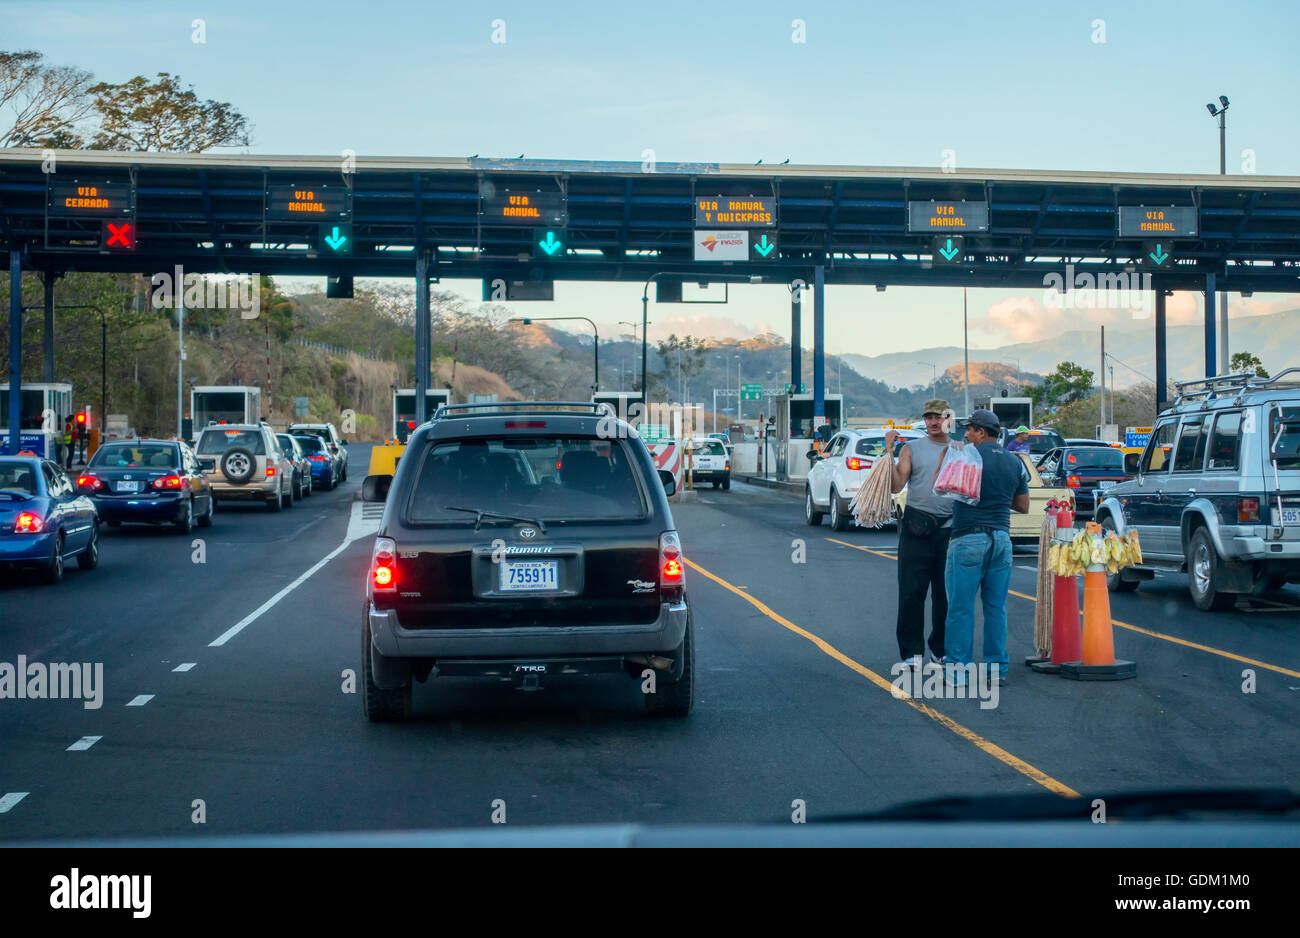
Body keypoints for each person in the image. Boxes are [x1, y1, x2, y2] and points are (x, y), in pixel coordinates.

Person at [943, 409, 1030, 687]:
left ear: (981, 432)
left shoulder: (967, 456)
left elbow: (945, 487)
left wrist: (951, 455)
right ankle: (996, 669)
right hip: (1002, 540)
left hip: (969, 537)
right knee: (996, 608)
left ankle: (958, 671)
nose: (966, 434)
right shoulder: (1014, 462)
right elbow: (1023, 506)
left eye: (969, 430)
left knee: (961, 608)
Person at [885, 400, 956, 671]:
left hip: (950, 530)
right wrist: (889, 451)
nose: (933, 422)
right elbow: (895, 485)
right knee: (911, 592)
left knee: (944, 594)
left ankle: (940, 650)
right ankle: (911, 653)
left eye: (939, 417)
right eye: (928, 417)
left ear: (949, 419)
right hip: (917, 528)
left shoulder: (962, 450)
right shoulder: (911, 449)